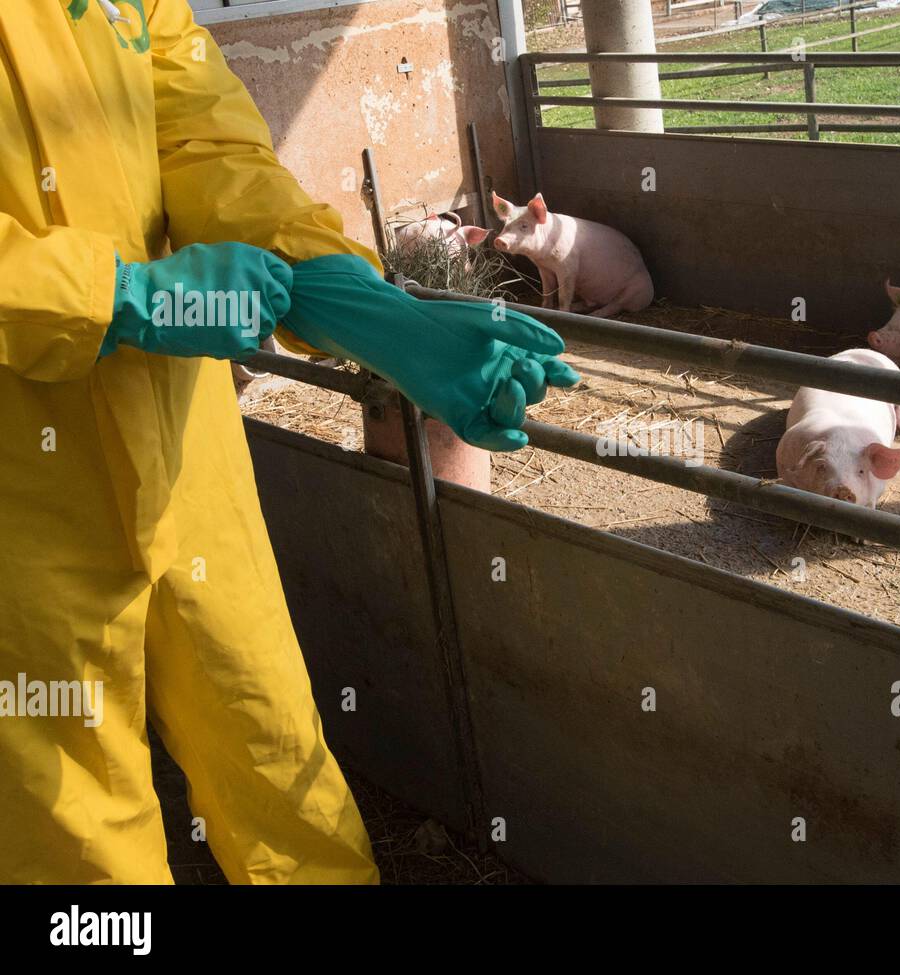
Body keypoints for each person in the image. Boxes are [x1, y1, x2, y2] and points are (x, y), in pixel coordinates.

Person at [0, 0, 575, 883]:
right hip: (21, 495)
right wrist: (107, 297)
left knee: (270, 738)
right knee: (73, 827)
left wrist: (358, 303)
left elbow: (205, 146)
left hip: (181, 441)